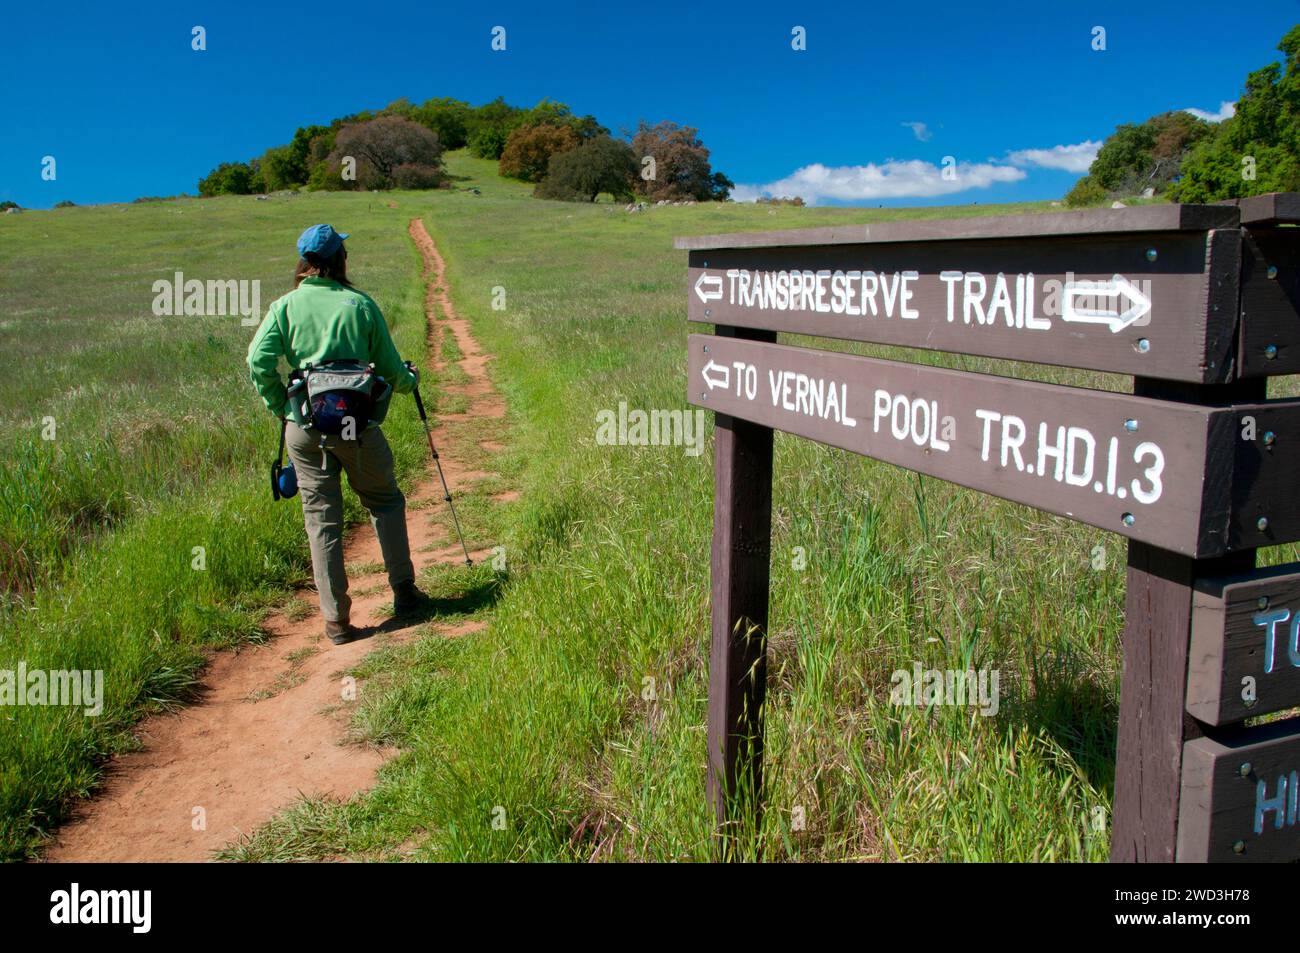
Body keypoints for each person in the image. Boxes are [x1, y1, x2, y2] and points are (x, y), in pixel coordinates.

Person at [247, 224, 427, 645]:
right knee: (385, 501)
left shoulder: (284, 306)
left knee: (321, 519)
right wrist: (410, 381)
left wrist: (281, 406)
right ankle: (404, 592)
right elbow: (391, 369)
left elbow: (258, 361)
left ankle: (336, 621)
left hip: (306, 426)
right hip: (358, 426)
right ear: (340, 260)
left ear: (304, 263)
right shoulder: (360, 304)